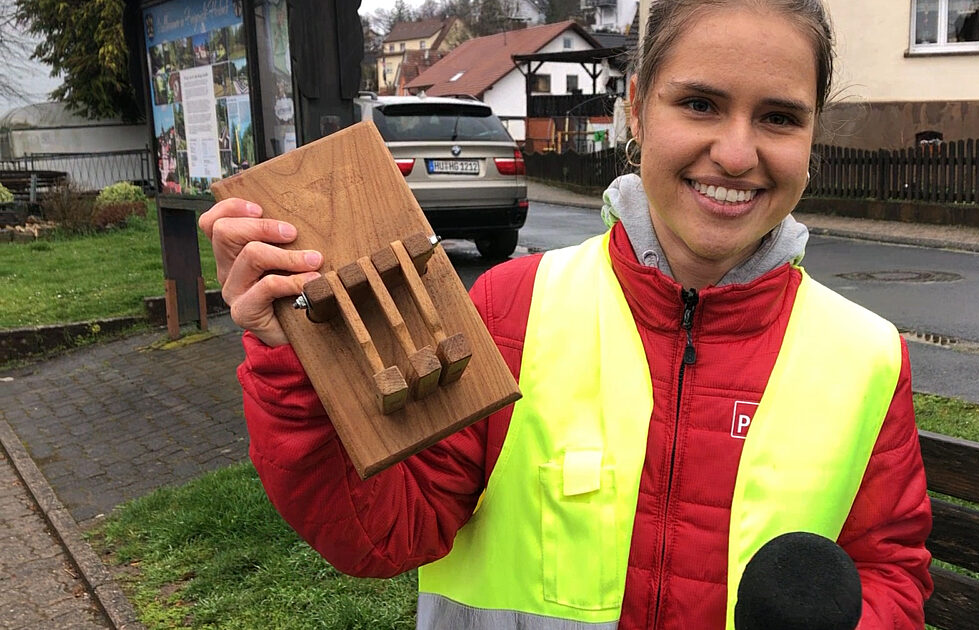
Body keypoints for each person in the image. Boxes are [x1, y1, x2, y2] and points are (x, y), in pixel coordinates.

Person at [198, 0, 933, 628]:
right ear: (638, 107)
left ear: (811, 138)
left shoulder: (865, 358)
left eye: (777, 117)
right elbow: (383, 533)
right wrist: (295, 363)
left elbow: (890, 574)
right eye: (700, 104)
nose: (736, 154)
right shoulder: (511, 308)